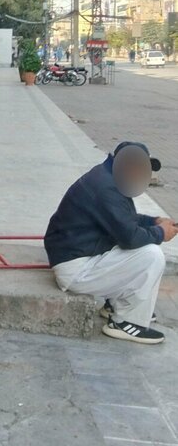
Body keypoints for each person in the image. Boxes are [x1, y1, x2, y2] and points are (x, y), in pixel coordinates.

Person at [44, 142, 177, 344]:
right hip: (76, 270)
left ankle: (115, 306)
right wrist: (160, 232)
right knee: (151, 255)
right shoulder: (107, 188)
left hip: (79, 257)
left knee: (140, 247)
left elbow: (123, 219)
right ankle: (126, 322)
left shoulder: (107, 178)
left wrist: (153, 222)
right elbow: (130, 237)